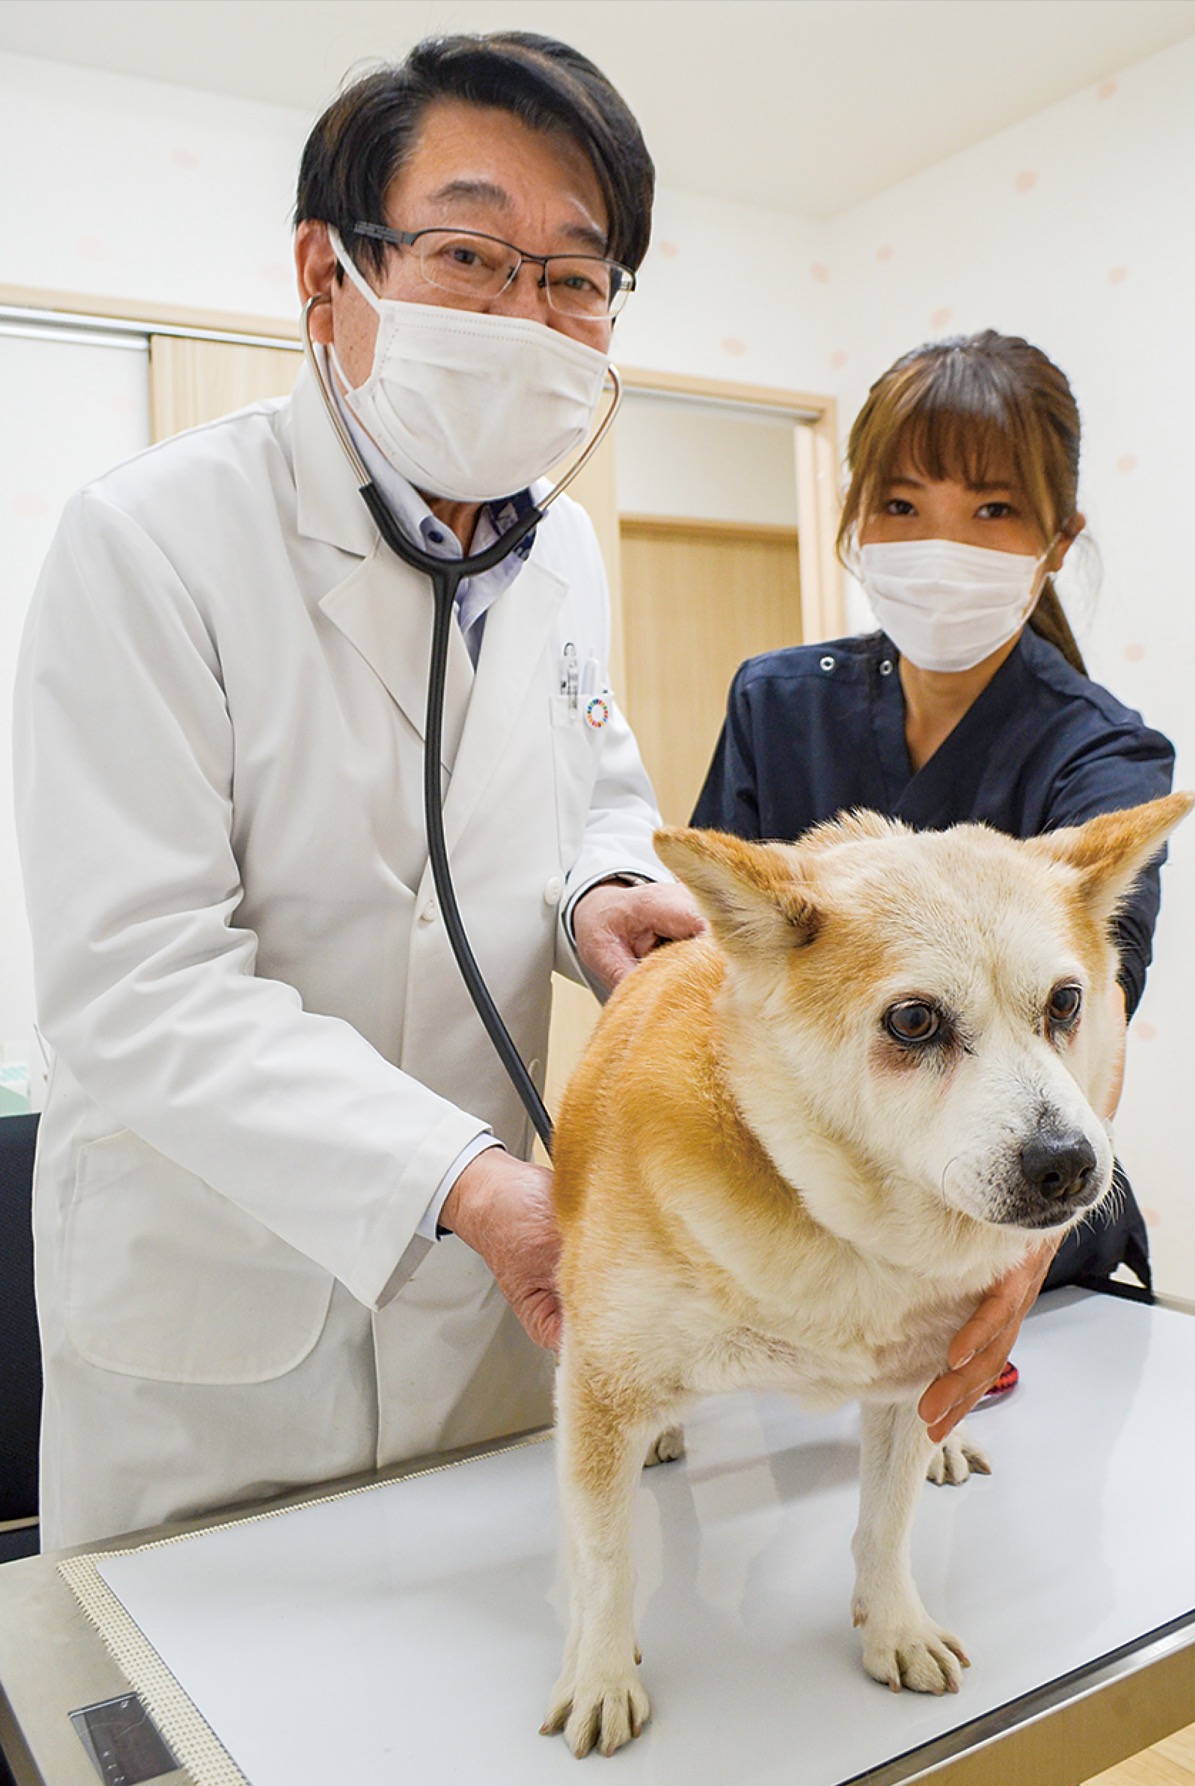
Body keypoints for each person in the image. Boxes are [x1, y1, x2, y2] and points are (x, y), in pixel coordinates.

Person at [14, 31, 701, 1553]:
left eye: (576, 277)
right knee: (191, 1767)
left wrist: (603, 885)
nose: (531, 315)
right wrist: (459, 1178)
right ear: (330, 274)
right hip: (219, 1320)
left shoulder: (563, 550)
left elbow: (595, 778)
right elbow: (134, 982)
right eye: (471, 253)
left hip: (479, 1319)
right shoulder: (150, 542)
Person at [693, 330, 1175, 1444]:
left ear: (1058, 541)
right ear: (855, 515)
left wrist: (1015, 1259)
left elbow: (1095, 1006)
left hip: (1029, 1258)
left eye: (994, 510)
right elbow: (717, 977)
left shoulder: (1100, 752)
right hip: (802, 1260)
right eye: (902, 506)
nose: (941, 544)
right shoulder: (777, 702)